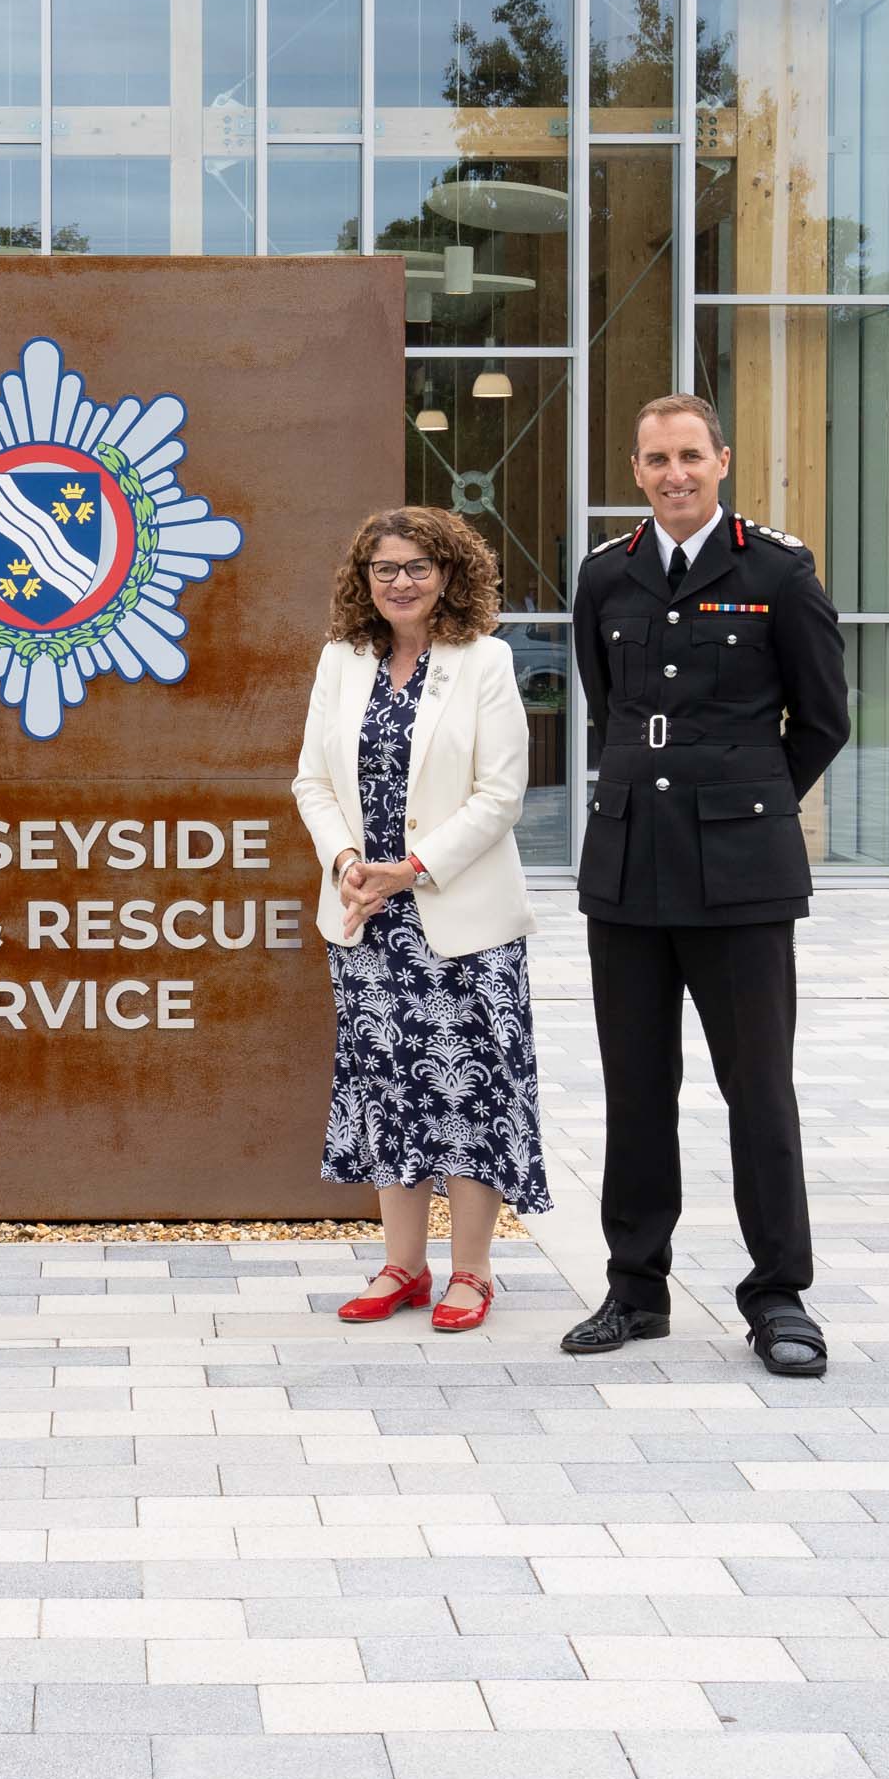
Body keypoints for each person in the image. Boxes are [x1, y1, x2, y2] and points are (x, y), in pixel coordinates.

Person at [565, 396, 851, 1378]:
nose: (674, 473)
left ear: (722, 460)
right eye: (656, 459)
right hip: (628, 867)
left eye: (690, 454)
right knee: (636, 1090)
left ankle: (779, 1296)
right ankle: (635, 1288)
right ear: (635, 470)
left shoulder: (777, 571)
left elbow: (823, 719)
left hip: (741, 876)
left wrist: (748, 803)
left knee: (757, 1091)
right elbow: (610, 705)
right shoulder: (606, 575)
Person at [291, 506, 546, 1333]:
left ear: (448, 575)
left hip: (462, 917)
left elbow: (501, 795)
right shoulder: (341, 659)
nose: (400, 582)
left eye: (417, 567)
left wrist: (410, 868)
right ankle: (402, 1265)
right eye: (385, 569)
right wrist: (347, 864)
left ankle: (472, 1271)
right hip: (366, 918)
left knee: (471, 1093)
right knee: (388, 1087)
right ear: (363, 581)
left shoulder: (484, 660)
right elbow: (312, 782)